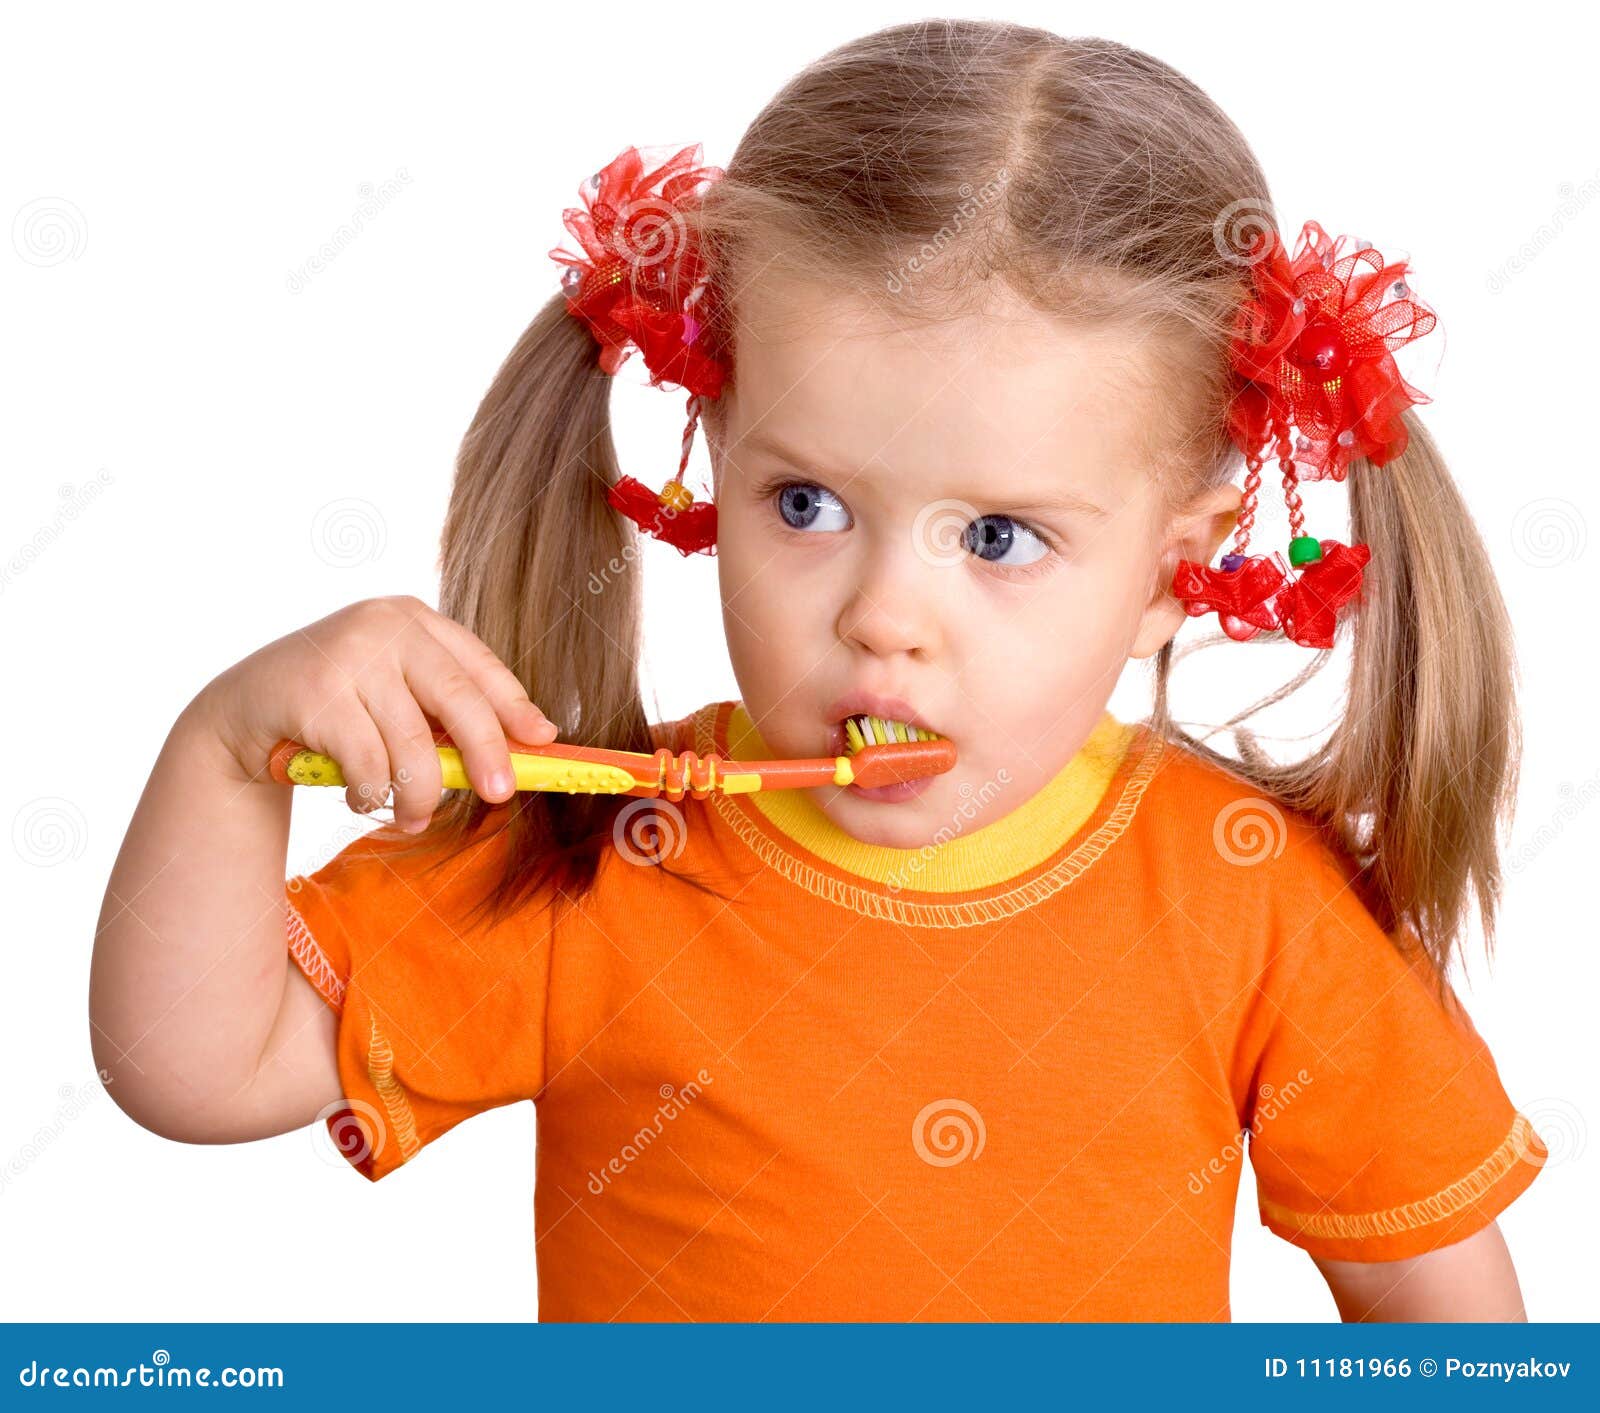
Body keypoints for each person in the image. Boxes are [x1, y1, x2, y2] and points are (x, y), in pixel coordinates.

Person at [91, 21, 1545, 1321]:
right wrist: (221, 754)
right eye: (808, 505)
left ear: (1175, 569)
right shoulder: (609, 861)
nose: (881, 616)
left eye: (996, 535)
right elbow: (197, 1069)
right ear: (716, 473)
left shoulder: (1248, 896)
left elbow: (1451, 1332)